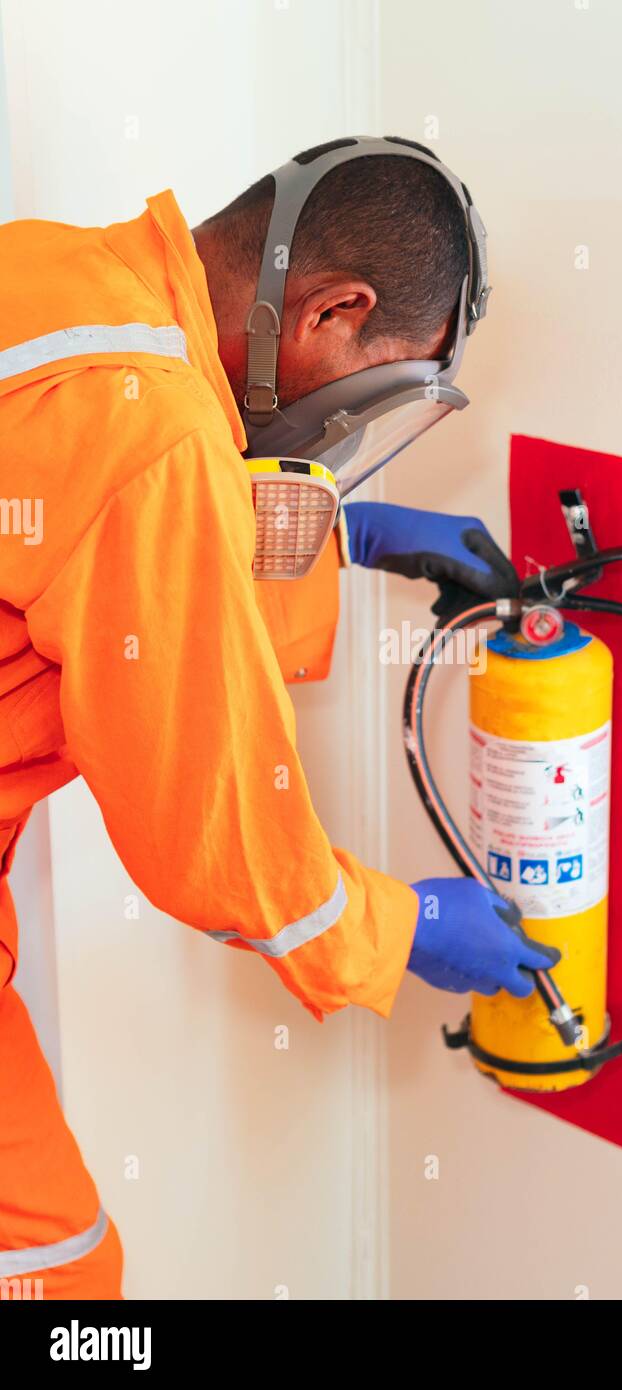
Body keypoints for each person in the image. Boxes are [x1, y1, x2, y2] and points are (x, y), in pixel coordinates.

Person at [0, 137, 556, 1298]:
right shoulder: (154, 443)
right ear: (333, 311)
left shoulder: (71, 283)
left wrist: (345, 534)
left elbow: (83, 523)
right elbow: (221, 849)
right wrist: (402, 932)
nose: (351, 426)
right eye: (377, 384)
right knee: (57, 1275)